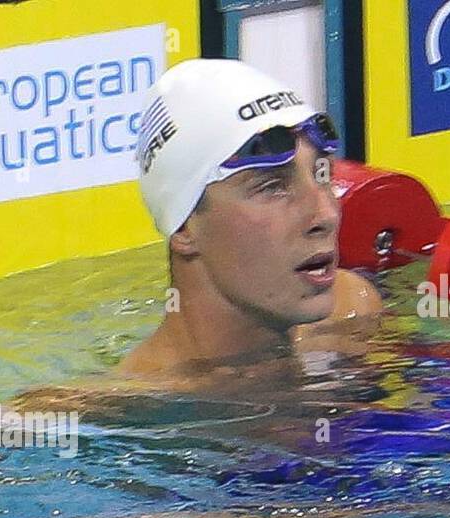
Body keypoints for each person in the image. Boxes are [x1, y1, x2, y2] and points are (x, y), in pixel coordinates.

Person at [120, 58, 383, 387]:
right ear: (185, 226)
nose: (326, 215)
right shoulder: (130, 409)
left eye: (322, 174)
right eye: (272, 188)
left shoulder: (352, 314)